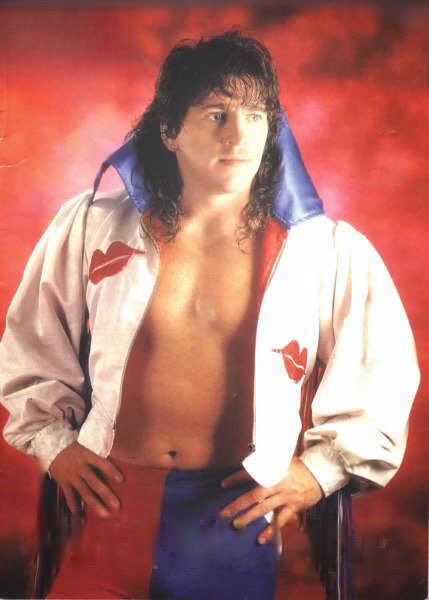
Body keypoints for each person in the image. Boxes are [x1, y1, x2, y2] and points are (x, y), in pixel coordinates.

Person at [0, 31, 420, 599]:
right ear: (169, 131)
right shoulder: (93, 225)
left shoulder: (321, 249)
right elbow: (30, 339)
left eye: (256, 116)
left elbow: (383, 371)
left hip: (238, 516)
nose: (238, 135)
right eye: (217, 114)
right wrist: (54, 443)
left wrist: (319, 471)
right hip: (112, 503)